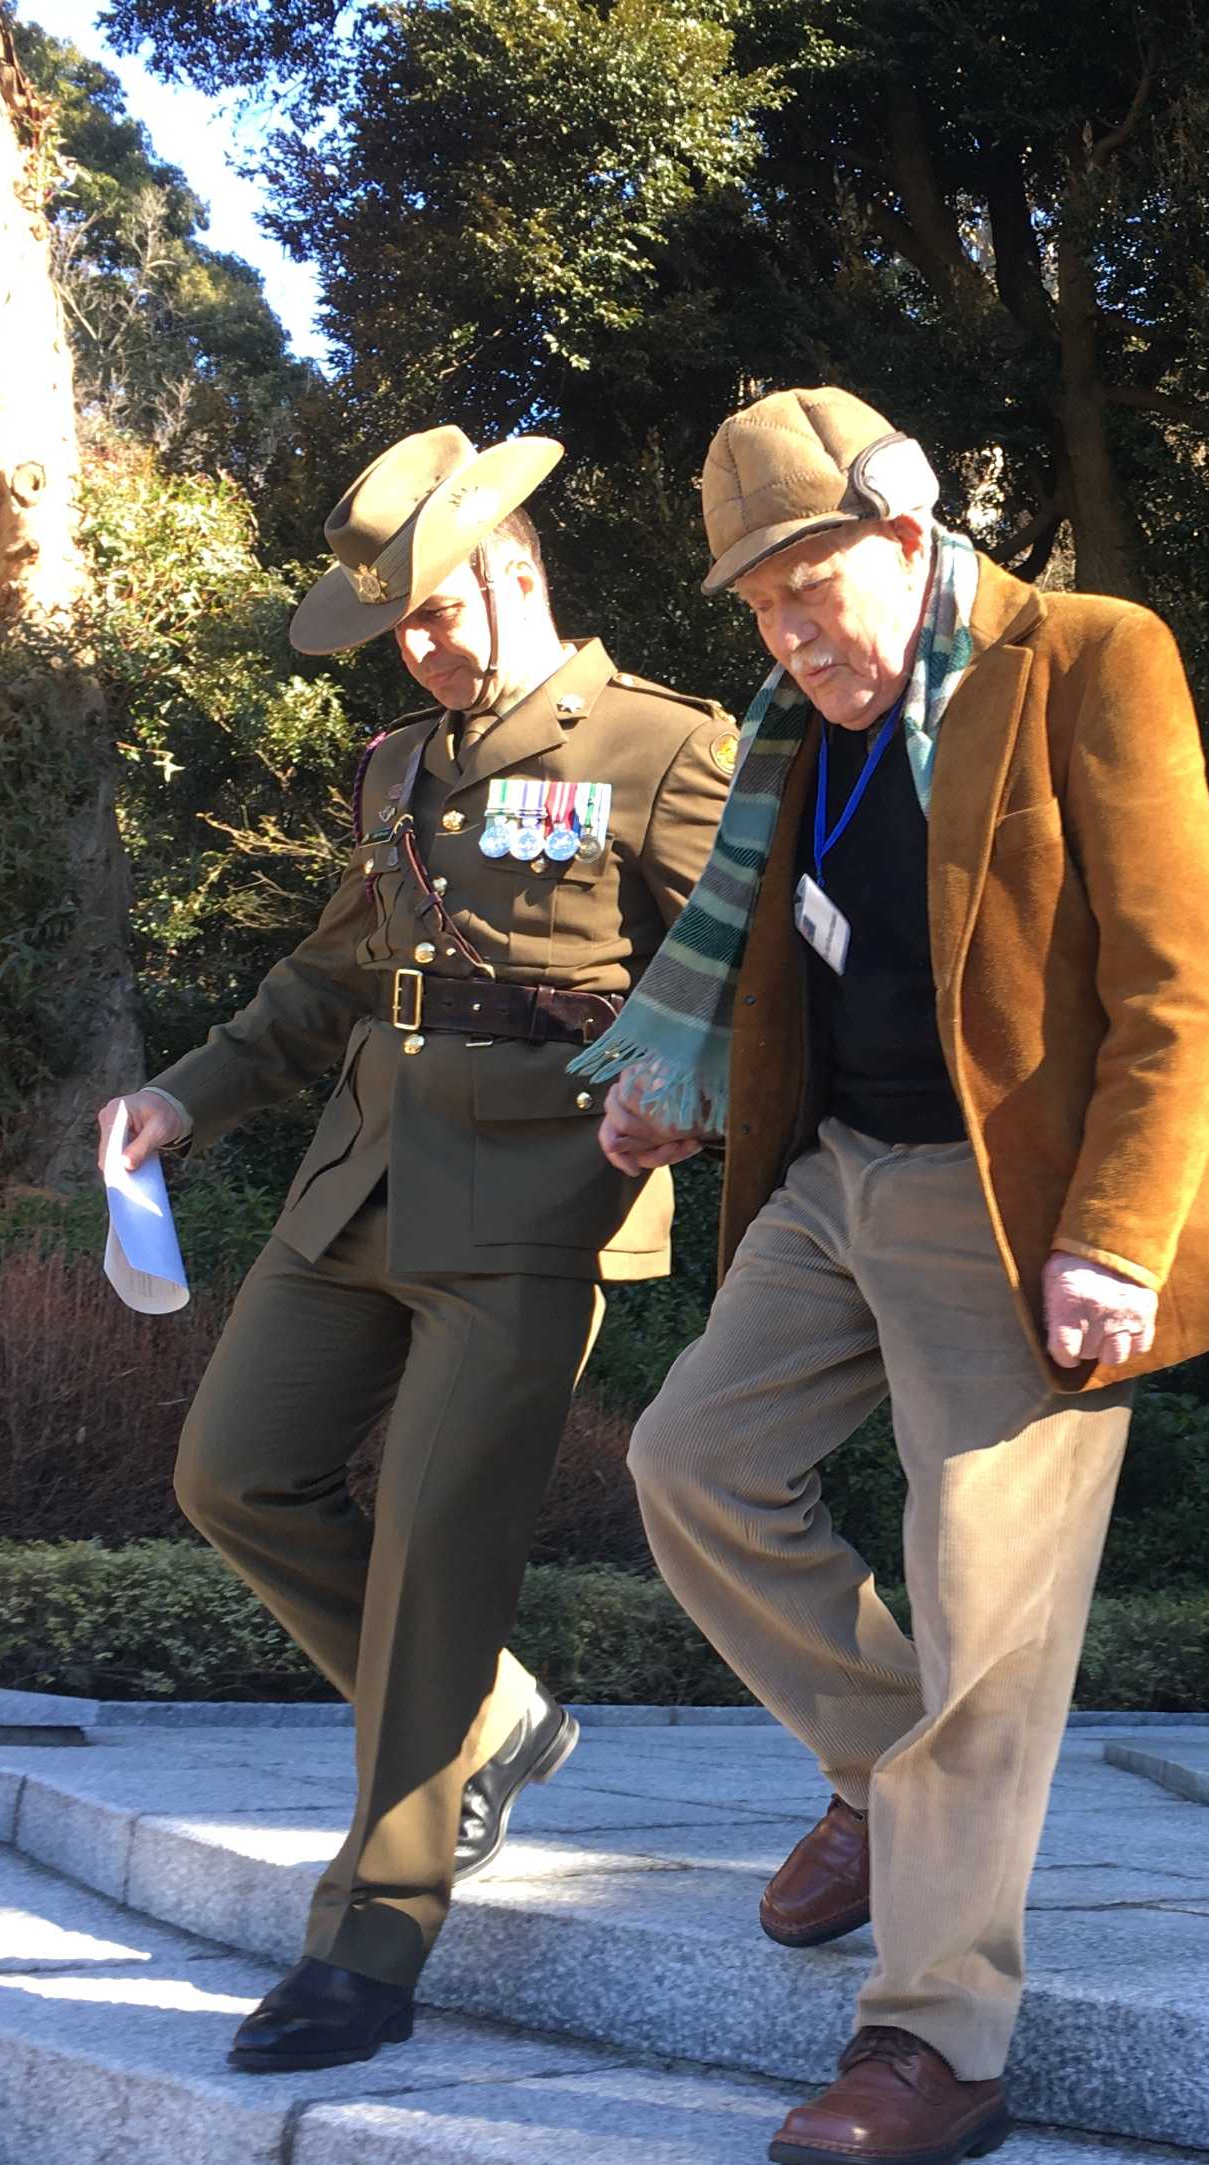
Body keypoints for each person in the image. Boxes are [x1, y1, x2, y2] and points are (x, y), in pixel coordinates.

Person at [581, 386, 1209, 2165]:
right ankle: (896, 1779)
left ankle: (937, 2036)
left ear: (908, 535)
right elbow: (782, 959)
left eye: (813, 584)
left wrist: (1118, 1228)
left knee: (989, 1601)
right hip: (835, 1176)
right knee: (690, 1462)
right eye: (758, 605)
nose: (792, 632)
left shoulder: (1088, 659)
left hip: (1016, 1196)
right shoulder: (790, 734)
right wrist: (684, 1087)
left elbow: (1184, 984)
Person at [97, 426, 735, 2072]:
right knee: (233, 1475)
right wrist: (181, 1098)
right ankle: (497, 1715)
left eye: (439, 612)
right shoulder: (396, 767)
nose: (422, 646)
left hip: (534, 1209)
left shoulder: (663, 747)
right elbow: (322, 986)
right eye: (398, 629)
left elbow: (753, 981)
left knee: (433, 1556)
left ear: (515, 570)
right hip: (351, 1186)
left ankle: (367, 1944)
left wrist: (698, 1101)